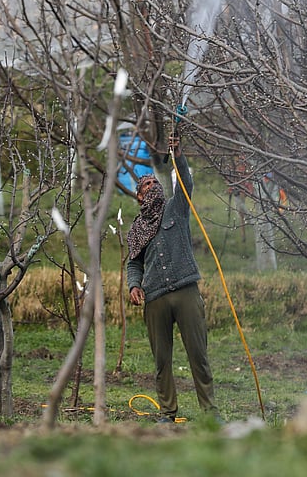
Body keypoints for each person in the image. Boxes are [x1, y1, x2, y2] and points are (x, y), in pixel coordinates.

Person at [126, 133, 219, 423]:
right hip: (155, 298)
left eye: (155, 183)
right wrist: (133, 285)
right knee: (162, 361)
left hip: (185, 291)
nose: (152, 187)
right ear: (139, 197)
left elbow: (186, 185)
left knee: (198, 355)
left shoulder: (175, 209)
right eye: (146, 185)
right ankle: (167, 412)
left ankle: (209, 414)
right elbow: (134, 264)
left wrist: (177, 154)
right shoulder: (136, 229)